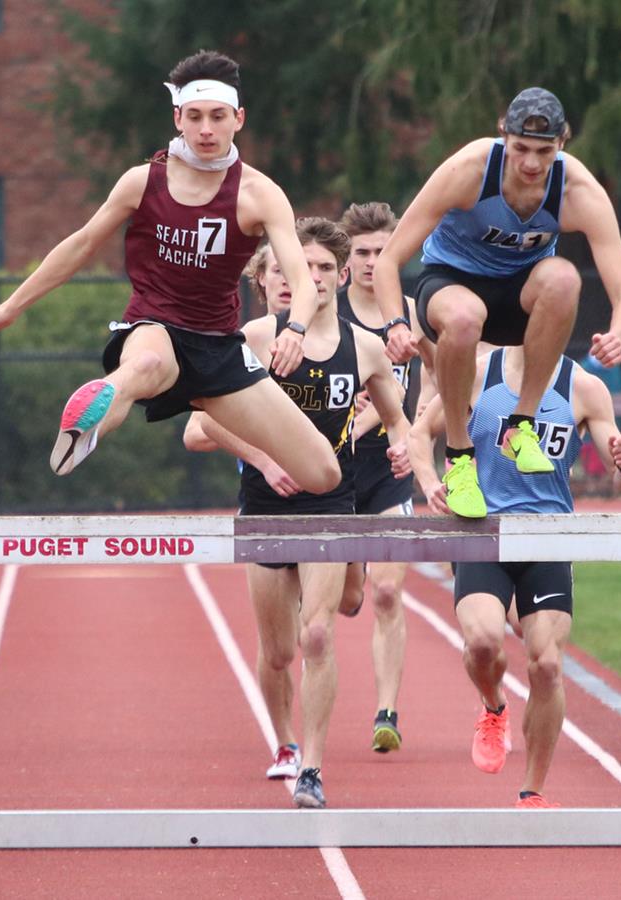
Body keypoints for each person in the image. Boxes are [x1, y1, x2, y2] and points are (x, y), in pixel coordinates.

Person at [0, 50, 340, 495]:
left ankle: (128, 400)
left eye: (218, 117)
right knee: (145, 364)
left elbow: (300, 277)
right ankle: (90, 420)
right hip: (155, 324)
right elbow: (81, 244)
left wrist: (295, 329)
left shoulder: (260, 194)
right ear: (177, 117)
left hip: (218, 348)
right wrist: (10, 307)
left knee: (323, 475)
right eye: (195, 116)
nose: (206, 129)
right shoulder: (142, 181)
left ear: (238, 118)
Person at [183, 217, 410, 809]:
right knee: (279, 650)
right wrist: (263, 458)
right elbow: (202, 421)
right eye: (302, 269)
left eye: (324, 269)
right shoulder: (257, 339)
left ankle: (312, 767)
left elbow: (397, 414)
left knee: (317, 634)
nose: (313, 279)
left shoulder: (363, 346)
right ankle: (283, 741)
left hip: (331, 504)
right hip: (264, 504)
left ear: (337, 276)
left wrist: (409, 448)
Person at [394, 344, 621, 808]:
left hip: (548, 536)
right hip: (481, 531)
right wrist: (430, 484)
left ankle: (533, 790)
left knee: (546, 665)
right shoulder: (474, 374)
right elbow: (419, 433)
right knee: (484, 642)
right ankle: (494, 706)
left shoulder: (583, 388)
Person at [376, 87, 621, 519]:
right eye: (520, 149)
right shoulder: (470, 169)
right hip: (451, 282)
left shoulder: (578, 191)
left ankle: (523, 425)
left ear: (563, 143)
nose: (532, 164)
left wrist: (618, 334)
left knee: (564, 278)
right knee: (465, 318)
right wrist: (395, 325)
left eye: (545, 151)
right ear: (503, 135)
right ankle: (461, 458)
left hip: (519, 296)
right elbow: (389, 260)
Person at [335, 201, 419, 754]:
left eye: (382, 252)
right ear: (346, 260)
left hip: (391, 473)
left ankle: (386, 711)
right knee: (347, 601)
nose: (371, 263)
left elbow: (436, 381)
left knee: (389, 594)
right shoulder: (327, 314)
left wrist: (415, 435)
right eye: (362, 253)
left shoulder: (412, 311)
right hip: (336, 473)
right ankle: (350, 579)